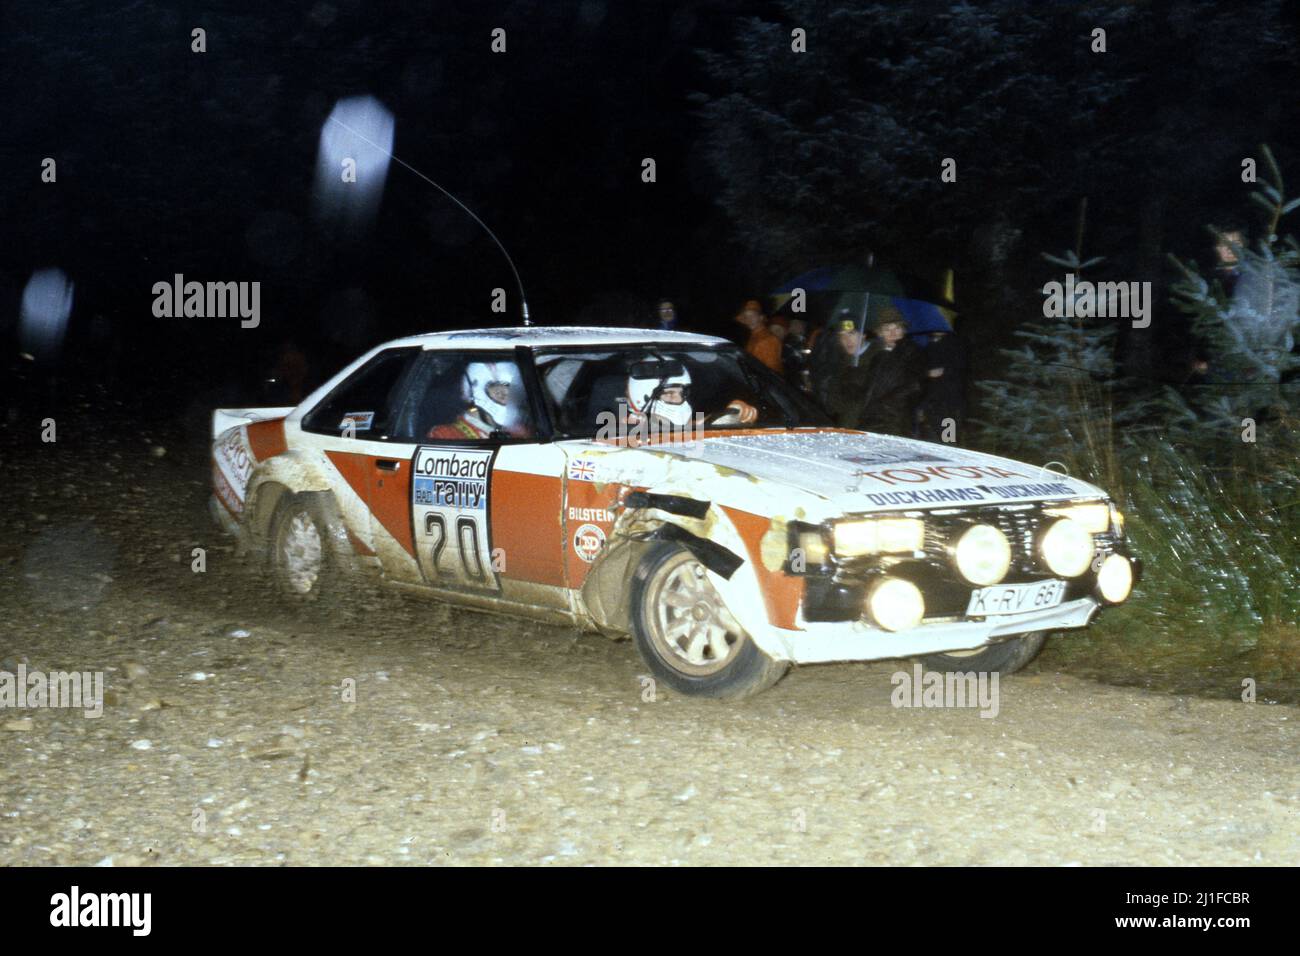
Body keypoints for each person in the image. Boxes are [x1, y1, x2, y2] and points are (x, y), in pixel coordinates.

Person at [622, 362, 756, 444]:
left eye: (682, 393)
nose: (679, 400)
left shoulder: (668, 426)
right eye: (669, 394)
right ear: (642, 397)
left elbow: (687, 428)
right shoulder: (628, 432)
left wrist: (733, 413)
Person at [859, 309, 922, 436]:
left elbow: (913, 385)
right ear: (880, 333)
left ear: (903, 330)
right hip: (872, 420)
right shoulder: (878, 356)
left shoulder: (911, 352)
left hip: (896, 422)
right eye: (887, 329)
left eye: (897, 328)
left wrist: (883, 405)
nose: (893, 334)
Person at [428, 361, 529, 439]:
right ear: (476, 391)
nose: (507, 399)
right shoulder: (445, 435)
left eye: (513, 392)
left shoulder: (520, 434)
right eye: (499, 392)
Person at [918, 329, 968, 444]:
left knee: (948, 439)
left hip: (949, 403)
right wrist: (926, 373)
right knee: (928, 439)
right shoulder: (925, 344)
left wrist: (944, 371)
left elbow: (960, 368)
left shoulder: (956, 344)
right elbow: (916, 371)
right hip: (927, 402)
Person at [734, 299, 783, 374]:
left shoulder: (768, 339)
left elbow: (771, 371)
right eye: (746, 317)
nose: (749, 320)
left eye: (753, 316)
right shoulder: (754, 335)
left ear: (761, 317)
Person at [782, 317, 811, 391]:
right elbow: (796, 365)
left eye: (799, 323)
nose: (797, 326)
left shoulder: (807, 339)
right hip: (797, 384)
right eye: (794, 324)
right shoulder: (788, 344)